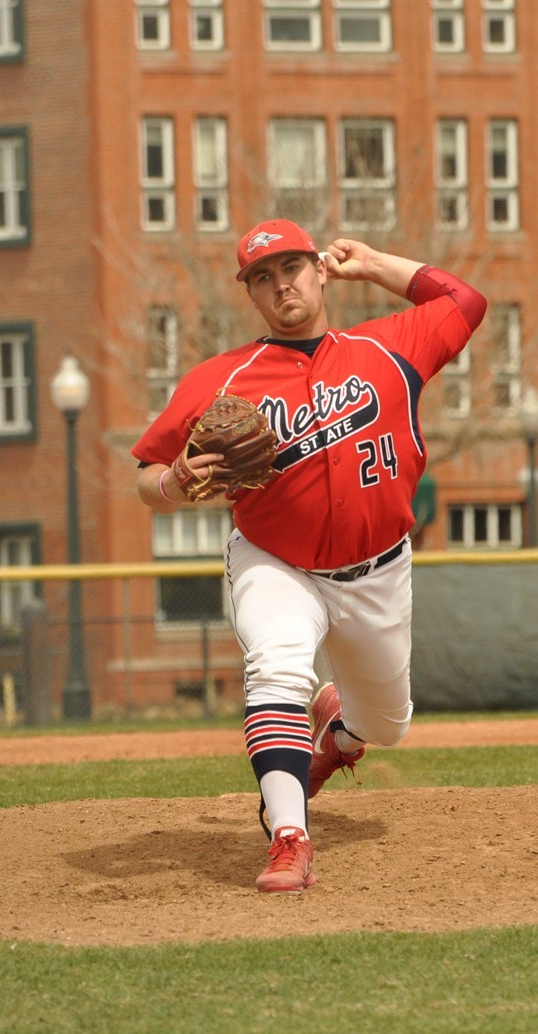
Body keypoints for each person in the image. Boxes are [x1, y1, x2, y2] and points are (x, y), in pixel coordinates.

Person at [132, 219, 486, 893]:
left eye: (291, 267)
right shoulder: (222, 379)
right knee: (276, 665)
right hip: (276, 560)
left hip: (378, 568)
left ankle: (339, 736)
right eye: (261, 277)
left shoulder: (390, 347)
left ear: (319, 271)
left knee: (387, 722)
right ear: (251, 294)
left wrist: (377, 263)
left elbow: (466, 304)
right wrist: (173, 482)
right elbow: (146, 476)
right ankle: (289, 836)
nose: (280, 284)